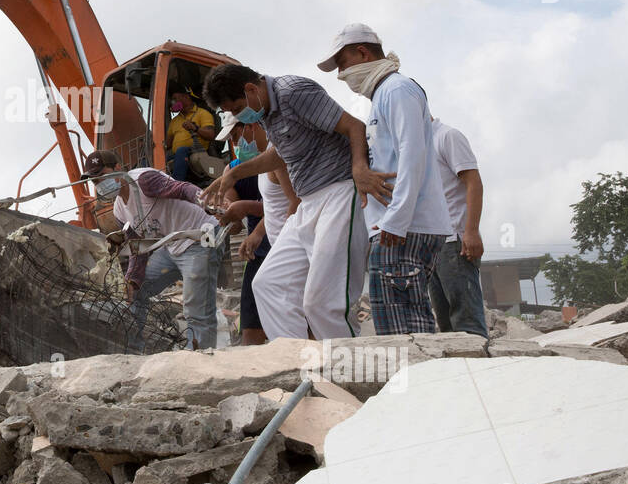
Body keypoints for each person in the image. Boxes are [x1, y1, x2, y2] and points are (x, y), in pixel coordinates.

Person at [202, 63, 391, 340]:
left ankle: (342, 371)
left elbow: (353, 125)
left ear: (251, 89)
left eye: (235, 109)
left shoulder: (294, 92)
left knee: (323, 302)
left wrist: (359, 168)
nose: (237, 117)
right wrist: (234, 174)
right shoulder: (267, 111)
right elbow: (281, 153)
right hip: (309, 202)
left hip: (337, 193)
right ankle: (299, 362)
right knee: (268, 284)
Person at [318, 23, 450, 336]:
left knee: (404, 332)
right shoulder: (383, 96)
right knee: (399, 327)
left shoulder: (397, 90)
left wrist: (396, 220)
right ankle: (418, 382)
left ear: (362, 53)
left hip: (403, 228)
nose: (341, 74)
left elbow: (412, 154)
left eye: (343, 63)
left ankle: (421, 383)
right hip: (397, 227)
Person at [82, 150, 225, 350]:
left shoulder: (144, 181)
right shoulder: (119, 210)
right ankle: (133, 351)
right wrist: (132, 279)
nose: (100, 184)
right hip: (171, 246)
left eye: (102, 175)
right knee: (135, 292)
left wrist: (204, 199)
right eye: (95, 181)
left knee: (196, 310)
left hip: (198, 238)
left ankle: (199, 360)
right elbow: (137, 248)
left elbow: (182, 188)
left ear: (117, 168)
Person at [213, 112, 293, 345]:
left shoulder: (277, 158)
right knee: (251, 320)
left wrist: (247, 210)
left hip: (283, 242)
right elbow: (236, 224)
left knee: (293, 314)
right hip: (258, 249)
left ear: (251, 126)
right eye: (232, 139)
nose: (236, 144)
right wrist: (227, 214)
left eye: (237, 135)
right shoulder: (232, 170)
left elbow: (292, 205)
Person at [428, 117, 488, 337]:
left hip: (455, 243)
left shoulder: (447, 136)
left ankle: (480, 368)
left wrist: (470, 231)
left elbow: (474, 182)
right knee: (447, 326)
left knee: (467, 322)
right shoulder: (420, 144)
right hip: (432, 244)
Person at [166, 86, 217, 180]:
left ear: (186, 97)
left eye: (175, 99)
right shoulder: (174, 121)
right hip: (177, 155)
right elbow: (167, 144)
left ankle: (176, 184)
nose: (173, 102)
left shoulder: (203, 113)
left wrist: (195, 128)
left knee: (181, 150)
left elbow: (210, 134)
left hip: (196, 151)